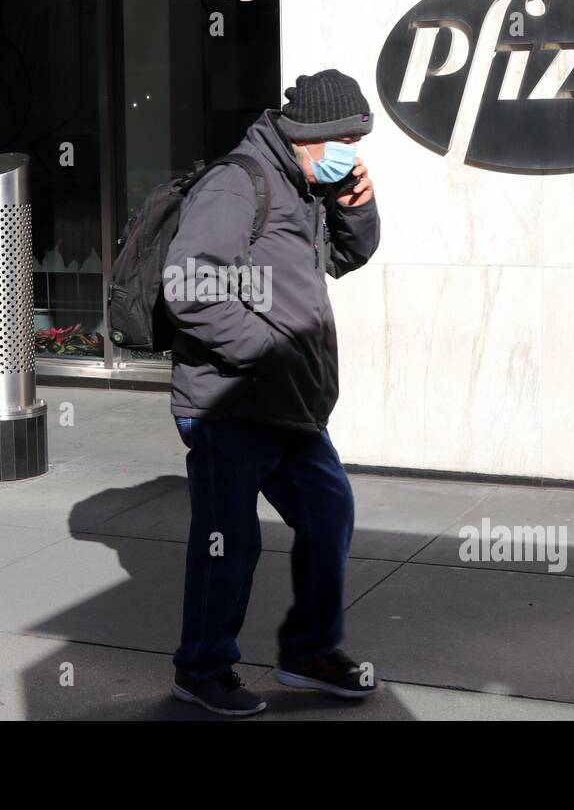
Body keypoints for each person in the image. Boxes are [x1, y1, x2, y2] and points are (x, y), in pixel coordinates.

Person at [164, 69, 382, 715]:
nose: (353, 150)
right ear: (304, 135)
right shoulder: (238, 183)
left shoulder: (307, 185)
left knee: (327, 515)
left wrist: (357, 207)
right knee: (229, 539)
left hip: (290, 403)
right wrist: (269, 353)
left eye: (358, 139)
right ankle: (201, 669)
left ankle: (309, 652)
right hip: (230, 400)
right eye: (342, 138)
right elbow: (190, 287)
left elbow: (345, 259)